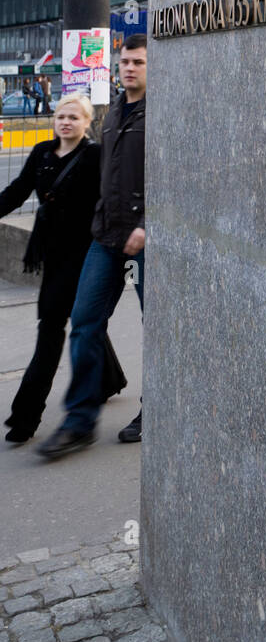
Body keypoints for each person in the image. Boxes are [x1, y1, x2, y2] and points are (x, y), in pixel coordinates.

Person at [38, 35, 147, 460]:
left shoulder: (162, 111)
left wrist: (146, 225)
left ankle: (154, 409)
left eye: (138, 62)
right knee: (84, 322)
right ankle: (79, 421)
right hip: (106, 237)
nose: (130, 69)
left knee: (154, 332)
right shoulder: (113, 111)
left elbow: (178, 174)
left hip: (143, 239)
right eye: (125, 62)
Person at [0, 94, 103, 442]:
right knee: (79, 322)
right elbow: (17, 191)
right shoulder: (42, 152)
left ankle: (24, 417)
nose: (66, 122)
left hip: (87, 254)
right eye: (61, 115)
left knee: (54, 327)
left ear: (87, 122)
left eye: (74, 117)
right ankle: (110, 379)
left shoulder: (94, 156)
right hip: (51, 253)